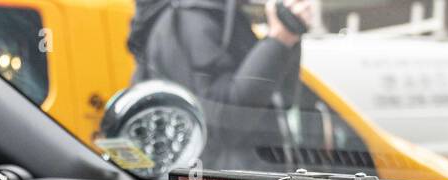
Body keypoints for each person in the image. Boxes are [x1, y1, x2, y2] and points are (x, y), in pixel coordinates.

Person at [128, 0, 317, 170]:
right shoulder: (190, 20)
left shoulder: (221, 16)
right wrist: (279, 39)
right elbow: (223, 120)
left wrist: (286, 37)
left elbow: (282, 97)